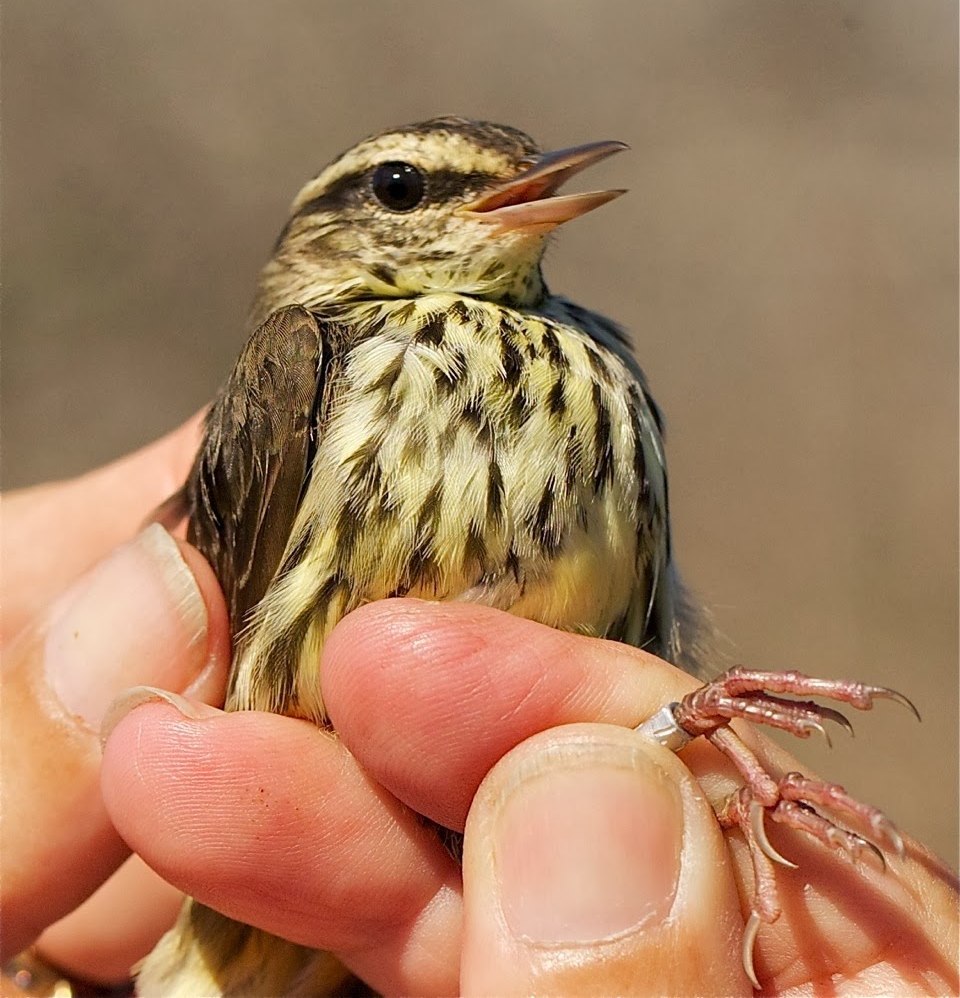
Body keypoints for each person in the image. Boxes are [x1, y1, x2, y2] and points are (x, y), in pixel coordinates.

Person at [3, 418, 958, 997]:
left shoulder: (603, 387)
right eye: (410, 192)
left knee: (574, 764)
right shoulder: (329, 364)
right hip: (278, 888)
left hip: (397, 857)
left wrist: (681, 737)